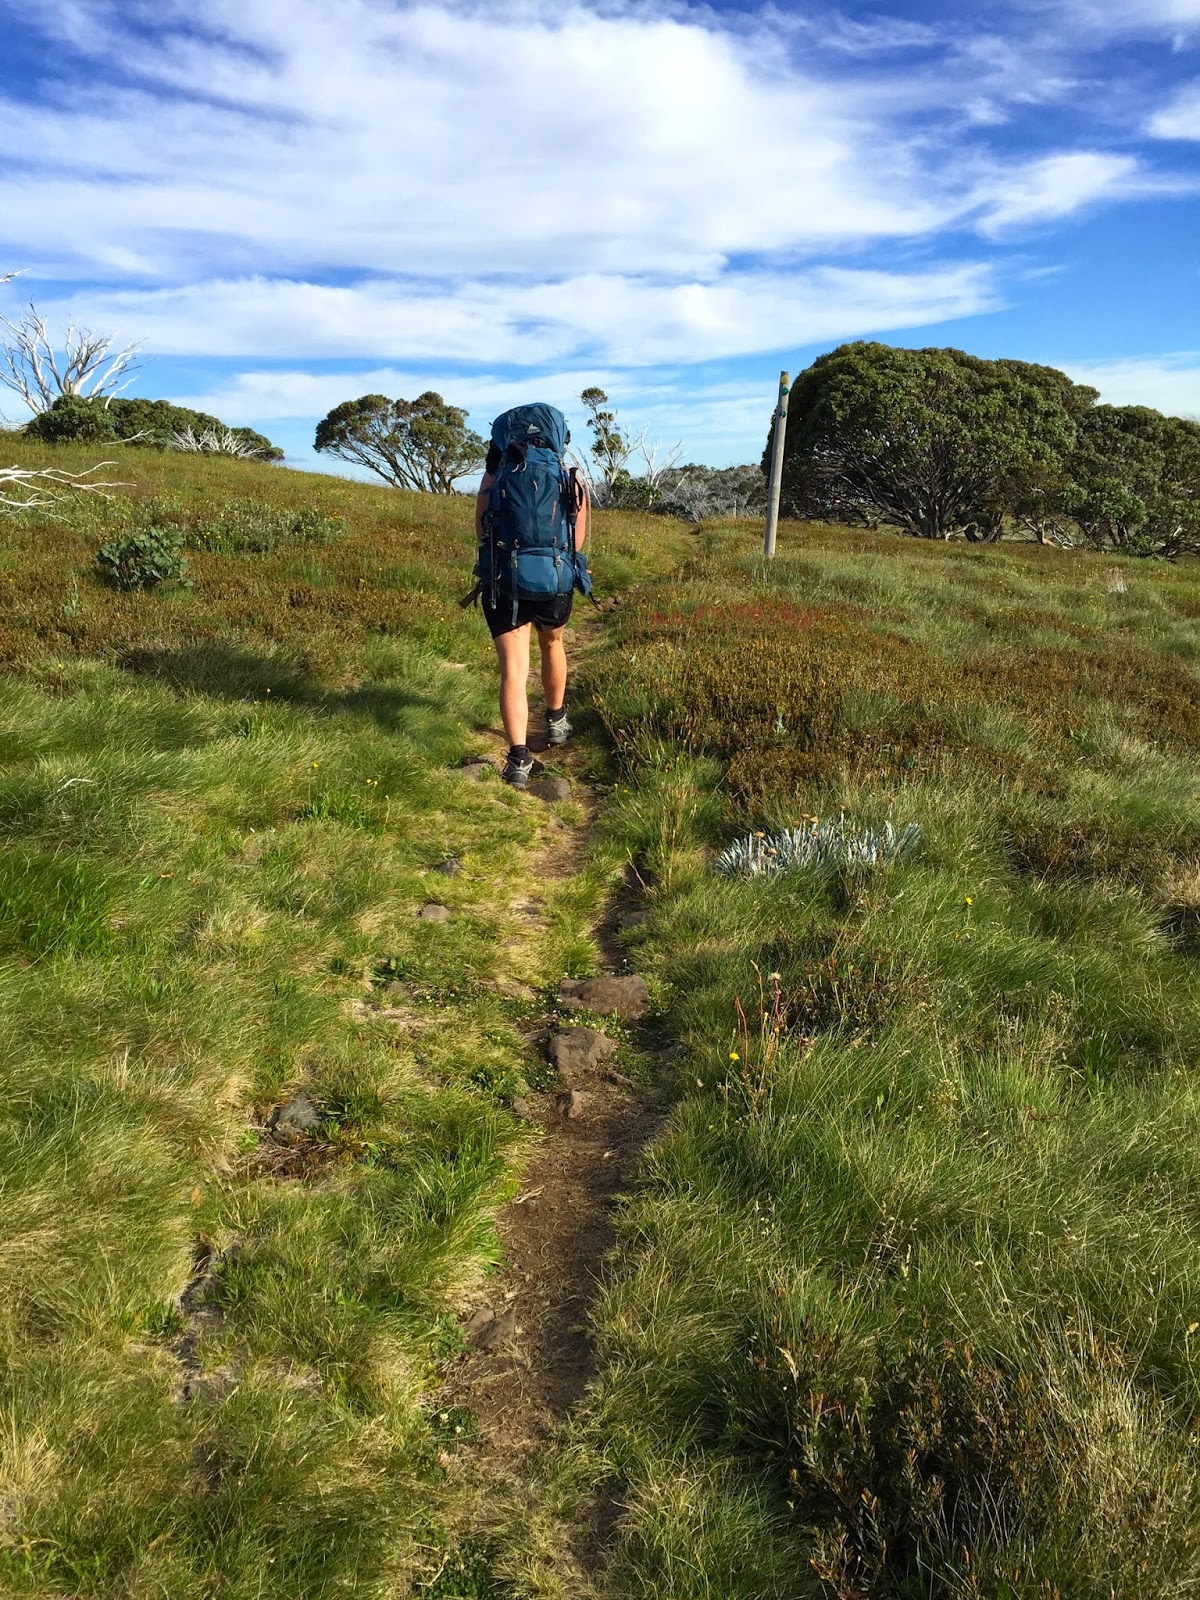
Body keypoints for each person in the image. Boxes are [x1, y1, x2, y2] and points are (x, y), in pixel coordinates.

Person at [475, 435, 589, 787]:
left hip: (504, 582)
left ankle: (519, 760)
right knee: (552, 645)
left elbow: (481, 531)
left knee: (513, 669)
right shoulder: (570, 474)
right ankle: (555, 721)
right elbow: (578, 540)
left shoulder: (493, 476)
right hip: (554, 581)